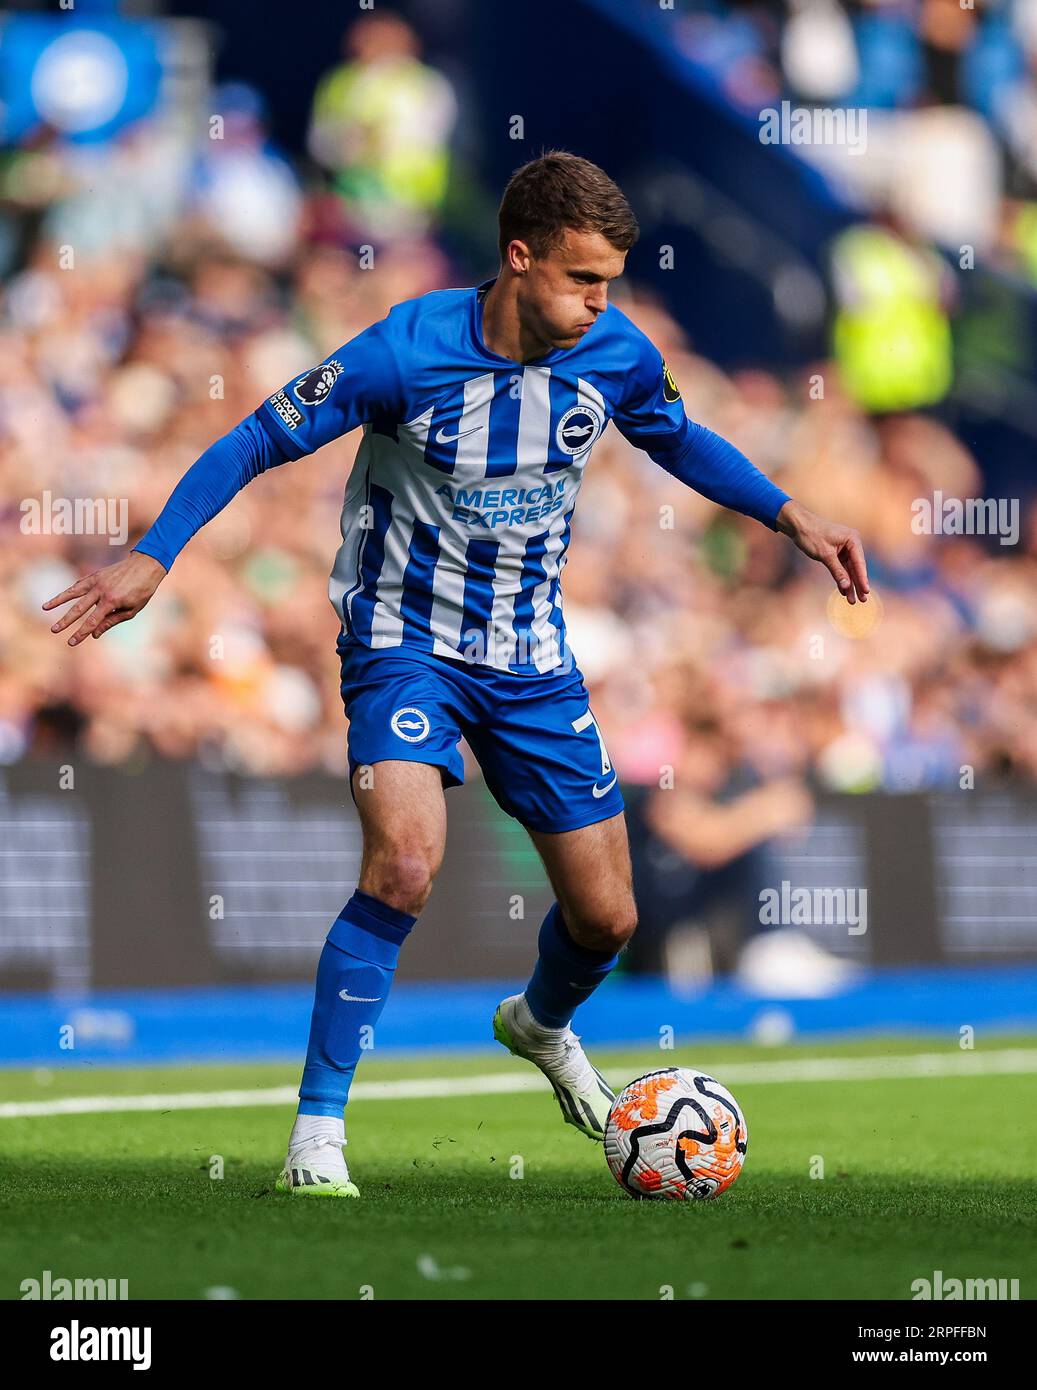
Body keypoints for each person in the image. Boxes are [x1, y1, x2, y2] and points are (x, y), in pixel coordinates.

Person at [43, 152, 869, 1198]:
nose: (597, 304)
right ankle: (316, 1134)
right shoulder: (405, 351)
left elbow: (679, 438)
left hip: (529, 657)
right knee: (404, 863)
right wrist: (153, 554)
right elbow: (257, 437)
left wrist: (789, 512)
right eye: (580, 280)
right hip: (402, 641)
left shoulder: (611, 351)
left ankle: (538, 1020)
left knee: (606, 919)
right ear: (517, 258)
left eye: (608, 282)